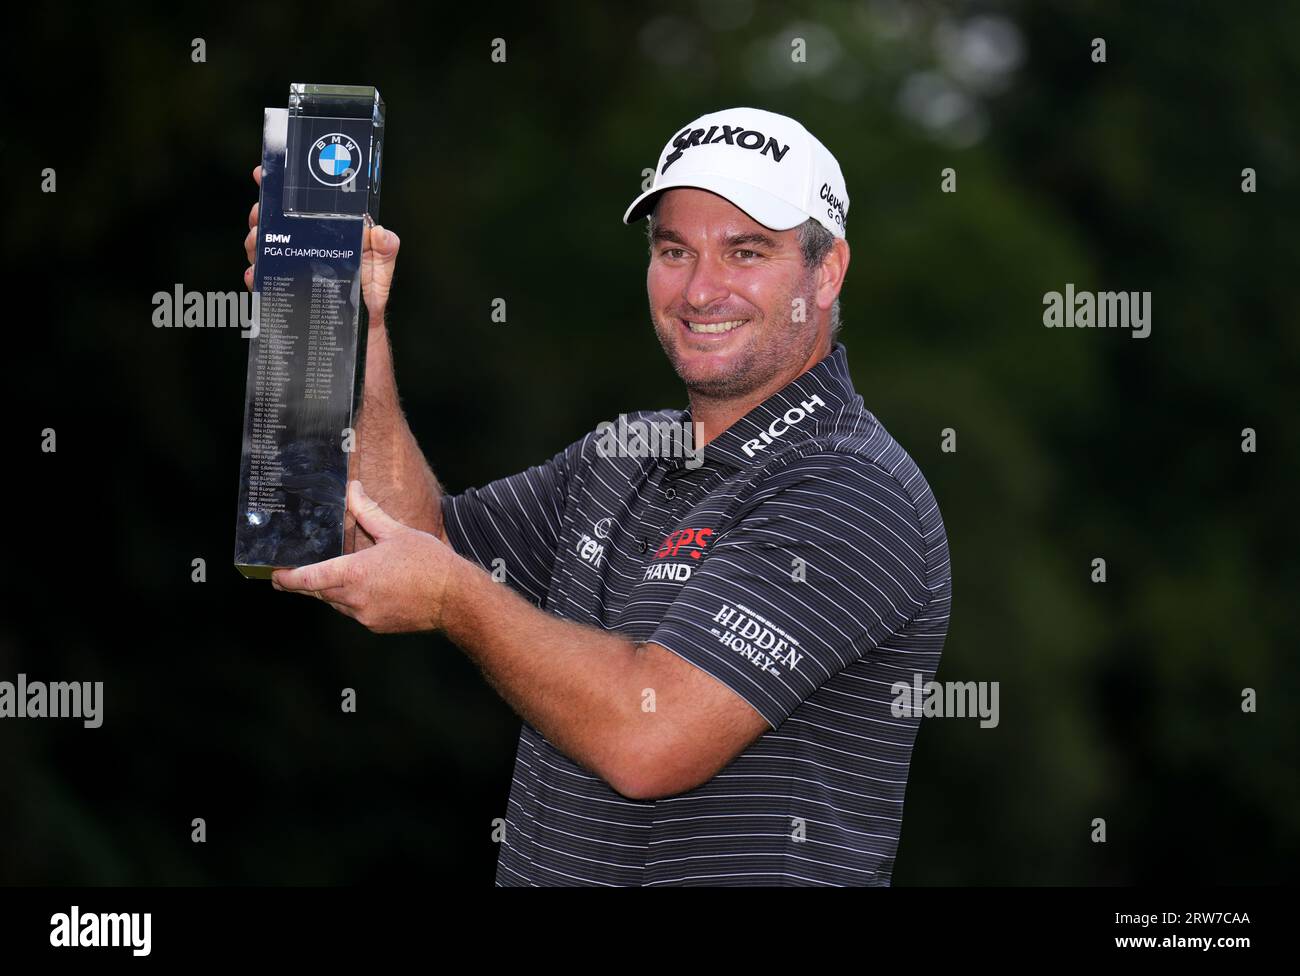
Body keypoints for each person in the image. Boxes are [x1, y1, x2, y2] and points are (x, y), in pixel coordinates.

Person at [244, 107, 952, 886]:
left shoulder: (852, 488)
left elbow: (651, 739)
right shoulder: (628, 451)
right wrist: (347, 323)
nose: (701, 288)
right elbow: (403, 539)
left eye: (746, 252)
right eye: (674, 249)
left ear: (826, 273)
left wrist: (455, 600)